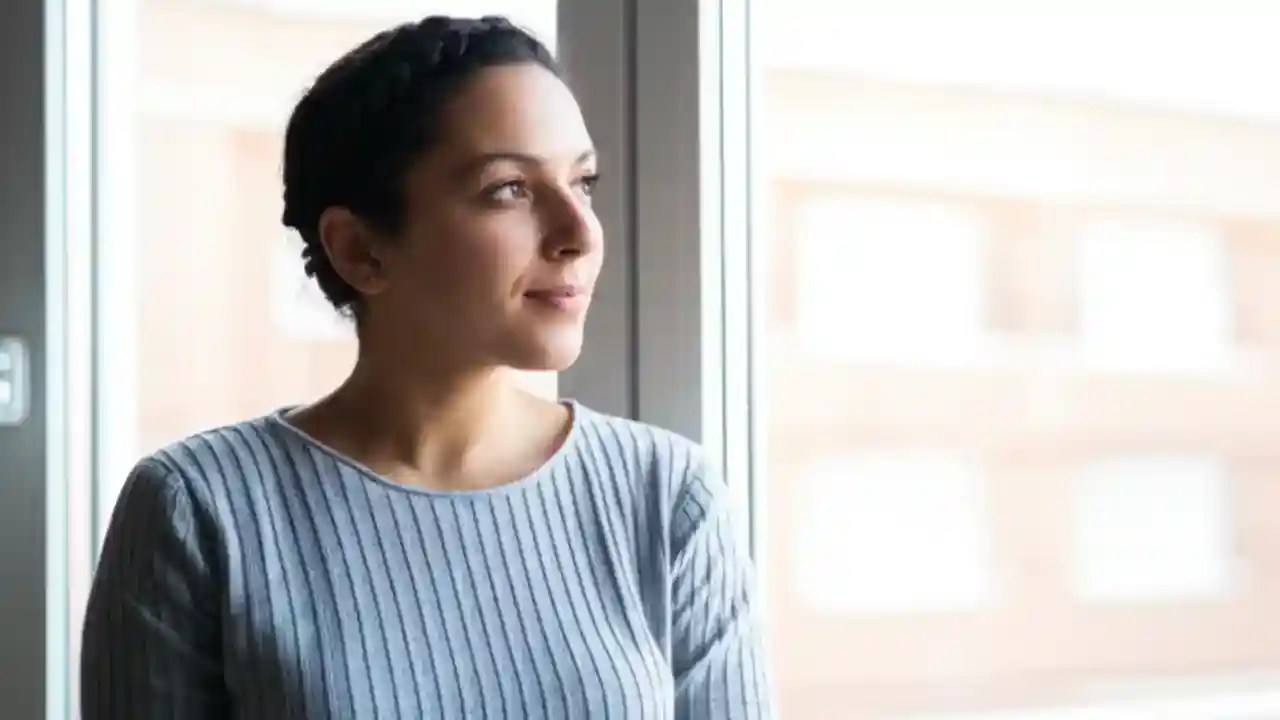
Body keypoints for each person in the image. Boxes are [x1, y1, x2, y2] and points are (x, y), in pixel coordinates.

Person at [80, 15, 771, 719]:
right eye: (509, 189)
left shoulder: (665, 498)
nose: (580, 233)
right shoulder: (196, 508)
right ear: (360, 250)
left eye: (583, 182)